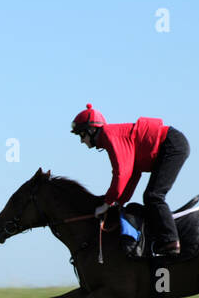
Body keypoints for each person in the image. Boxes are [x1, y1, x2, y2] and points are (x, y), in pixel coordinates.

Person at [70, 104, 189, 257]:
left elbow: (121, 173)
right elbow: (132, 174)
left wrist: (107, 203)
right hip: (172, 143)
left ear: (92, 130)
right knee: (151, 195)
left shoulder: (108, 135)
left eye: (81, 135)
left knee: (153, 196)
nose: (81, 141)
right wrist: (119, 202)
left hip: (172, 144)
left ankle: (170, 241)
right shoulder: (111, 137)